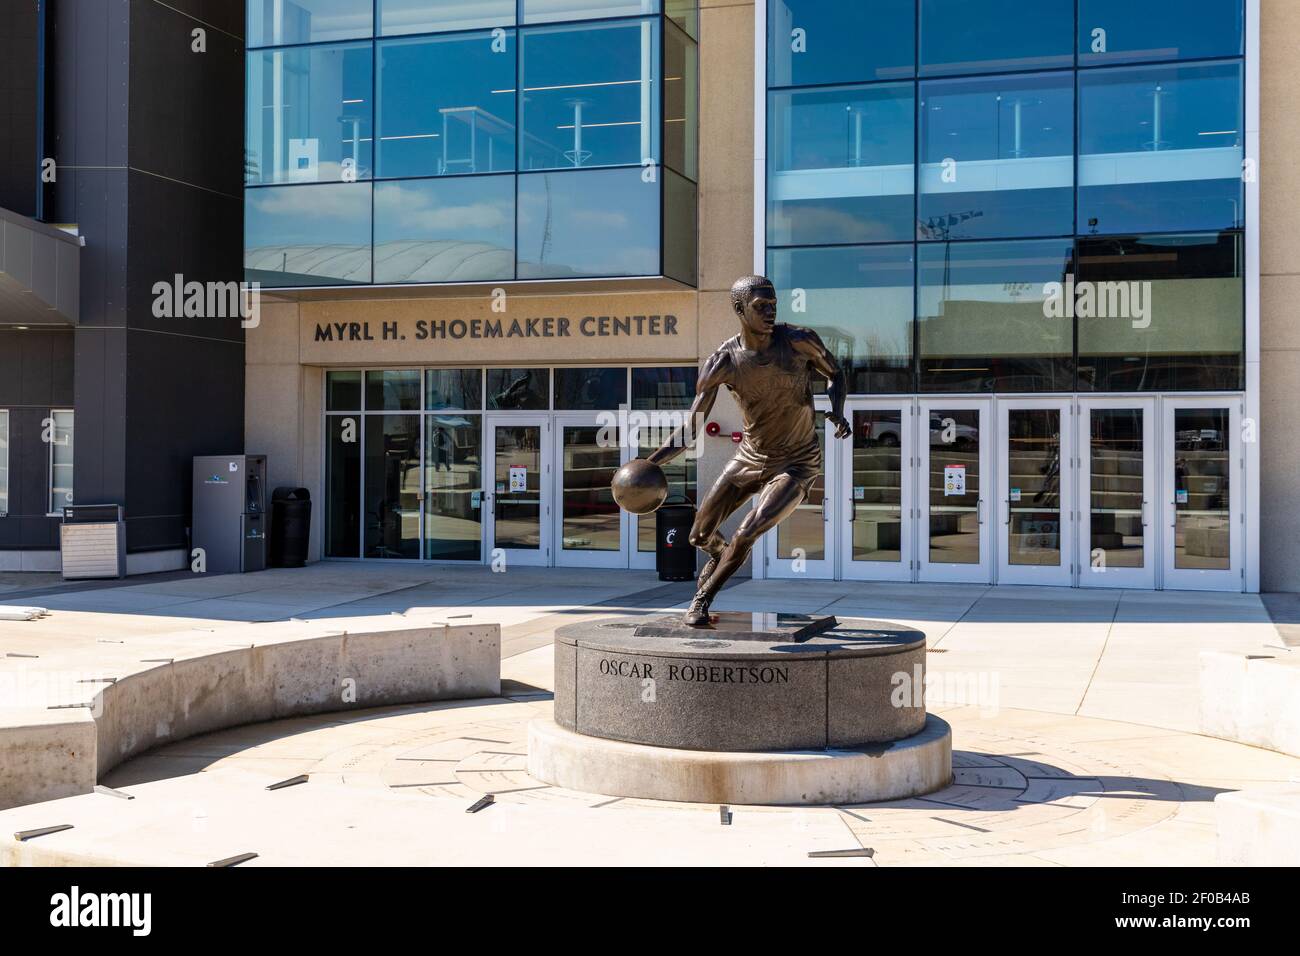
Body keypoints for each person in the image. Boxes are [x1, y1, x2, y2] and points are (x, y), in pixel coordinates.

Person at [647, 275, 852, 626]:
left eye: (773, 305)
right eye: (761, 307)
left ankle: (702, 598)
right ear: (740, 310)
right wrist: (650, 463)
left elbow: (835, 372)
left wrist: (837, 406)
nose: (770, 312)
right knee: (698, 535)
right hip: (750, 458)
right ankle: (721, 553)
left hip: (797, 462)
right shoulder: (722, 362)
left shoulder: (799, 341)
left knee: (747, 532)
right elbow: (691, 429)